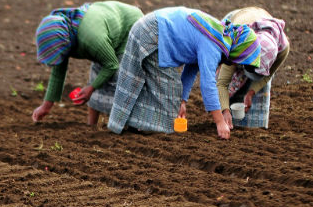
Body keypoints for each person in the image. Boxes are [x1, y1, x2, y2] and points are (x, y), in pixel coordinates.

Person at [107, 7, 260, 139]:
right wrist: (220, 122)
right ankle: (143, 126)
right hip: (152, 31)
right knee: (170, 89)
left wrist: (183, 101)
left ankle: (135, 124)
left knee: (167, 89)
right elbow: (208, 85)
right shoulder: (214, 44)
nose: (236, 65)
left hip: (150, 28)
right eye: (240, 60)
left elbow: (191, 69)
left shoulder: (218, 34)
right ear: (238, 51)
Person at [32, 1, 144, 126]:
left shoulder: (90, 39)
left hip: (129, 25)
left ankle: (133, 123)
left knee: (120, 79)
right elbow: (58, 73)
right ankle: (91, 126)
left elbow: (112, 64)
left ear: (65, 41)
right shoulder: (65, 36)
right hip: (105, 28)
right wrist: (46, 106)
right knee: (96, 74)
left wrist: (91, 88)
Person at [217, 7, 290, 129]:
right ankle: (224, 117)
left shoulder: (282, 49)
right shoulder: (235, 40)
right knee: (223, 83)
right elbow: (222, 82)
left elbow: (267, 76)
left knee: (258, 101)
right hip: (235, 22)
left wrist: (250, 93)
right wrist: (225, 110)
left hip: (261, 20)